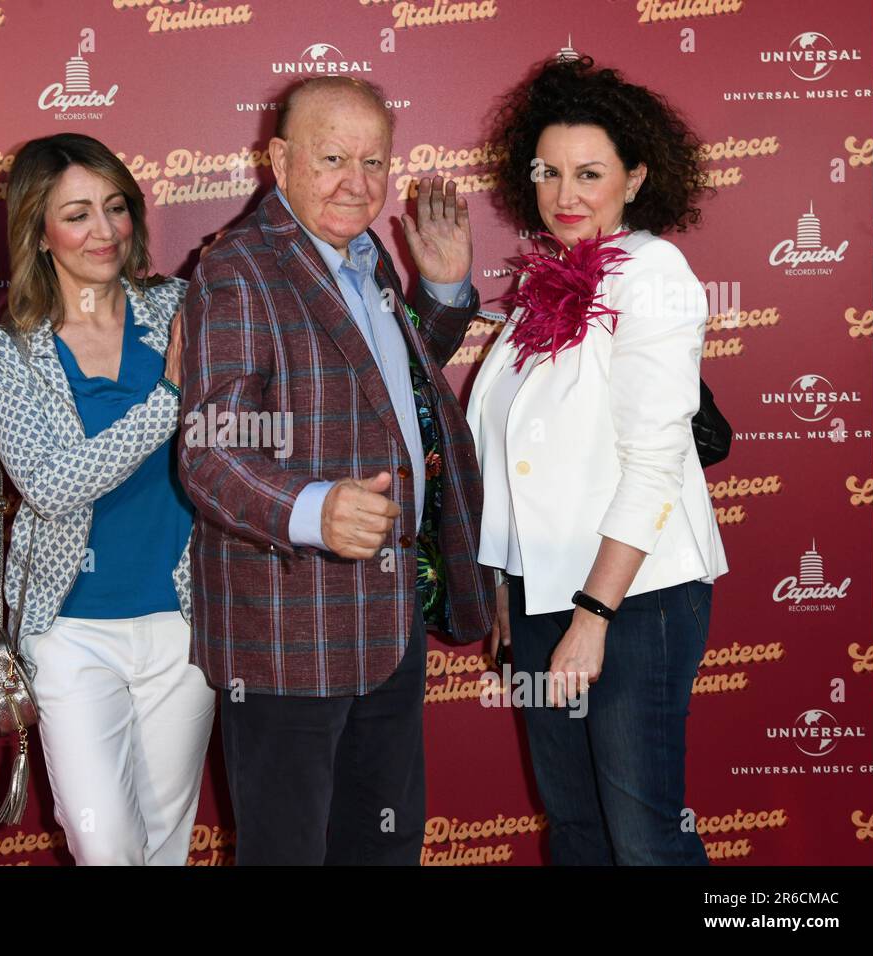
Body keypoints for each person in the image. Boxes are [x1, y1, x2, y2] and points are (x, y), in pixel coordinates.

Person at [178, 76, 495, 866]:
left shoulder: (365, 253)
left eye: (374, 161)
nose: (357, 183)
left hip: (386, 622)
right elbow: (209, 449)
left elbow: (380, 387)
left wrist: (446, 293)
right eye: (331, 159)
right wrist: (312, 508)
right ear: (278, 160)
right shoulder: (237, 271)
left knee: (382, 849)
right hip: (288, 631)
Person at [469, 55, 728, 865]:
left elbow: (654, 463)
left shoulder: (652, 273)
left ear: (637, 176)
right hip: (546, 598)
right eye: (549, 172)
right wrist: (512, 584)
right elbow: (512, 450)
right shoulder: (543, 287)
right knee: (577, 831)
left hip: (632, 601)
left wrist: (594, 616)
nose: (565, 194)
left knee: (645, 841)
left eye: (590, 173)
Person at [0, 133, 214, 866]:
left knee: (166, 840)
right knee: (105, 844)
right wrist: (168, 399)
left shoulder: (179, 307)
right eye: (76, 214)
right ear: (37, 233)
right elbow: (48, 485)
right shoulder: (7, 348)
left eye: (115, 208)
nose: (104, 231)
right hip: (70, 631)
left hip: (186, 619)